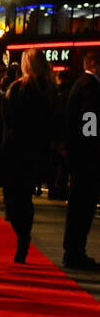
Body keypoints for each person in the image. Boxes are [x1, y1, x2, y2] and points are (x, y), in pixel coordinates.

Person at [1, 47, 60, 264]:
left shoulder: (17, 89)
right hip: (36, 150)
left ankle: (22, 234)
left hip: (16, 149)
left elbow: (8, 120)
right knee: (24, 196)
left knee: (15, 197)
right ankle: (23, 236)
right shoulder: (49, 90)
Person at [62, 48, 99, 270]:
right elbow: (89, 124)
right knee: (82, 208)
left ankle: (74, 251)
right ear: (94, 63)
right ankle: (76, 252)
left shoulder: (81, 85)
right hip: (87, 159)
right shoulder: (91, 89)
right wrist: (93, 146)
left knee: (79, 207)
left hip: (80, 157)